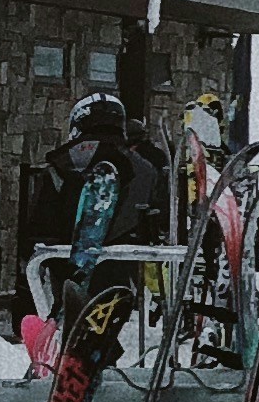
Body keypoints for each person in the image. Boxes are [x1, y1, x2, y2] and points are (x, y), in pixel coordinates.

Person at [45, 92, 171, 319]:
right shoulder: (146, 170)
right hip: (123, 275)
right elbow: (159, 222)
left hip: (63, 268)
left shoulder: (63, 164)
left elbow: (41, 224)